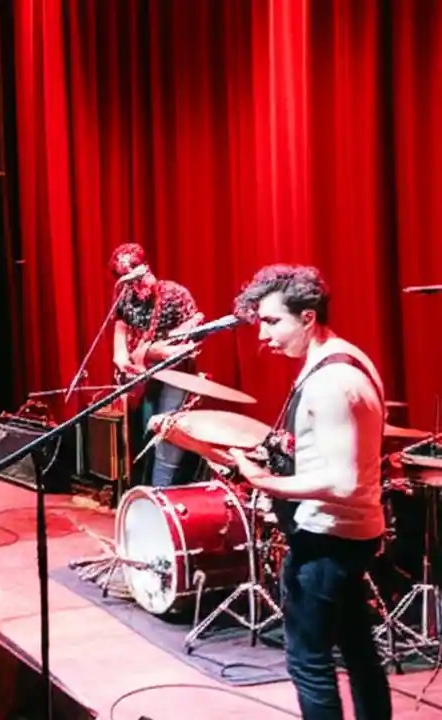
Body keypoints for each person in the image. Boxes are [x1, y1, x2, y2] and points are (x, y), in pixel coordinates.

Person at [228, 264, 390, 720]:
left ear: (308, 317)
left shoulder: (332, 383)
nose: (263, 335)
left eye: (272, 321)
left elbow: (342, 483)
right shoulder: (343, 359)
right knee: (358, 651)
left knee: (308, 661)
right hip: (346, 535)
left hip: (328, 538)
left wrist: (262, 481)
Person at [108, 243, 202, 487]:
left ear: (146, 266)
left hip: (175, 373)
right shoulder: (125, 297)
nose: (136, 282)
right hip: (144, 375)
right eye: (127, 278)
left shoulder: (173, 293)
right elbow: (120, 325)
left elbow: (196, 324)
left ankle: (161, 497)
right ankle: (143, 492)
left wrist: (162, 351)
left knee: (166, 437)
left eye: (137, 271)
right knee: (144, 435)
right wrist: (121, 355)